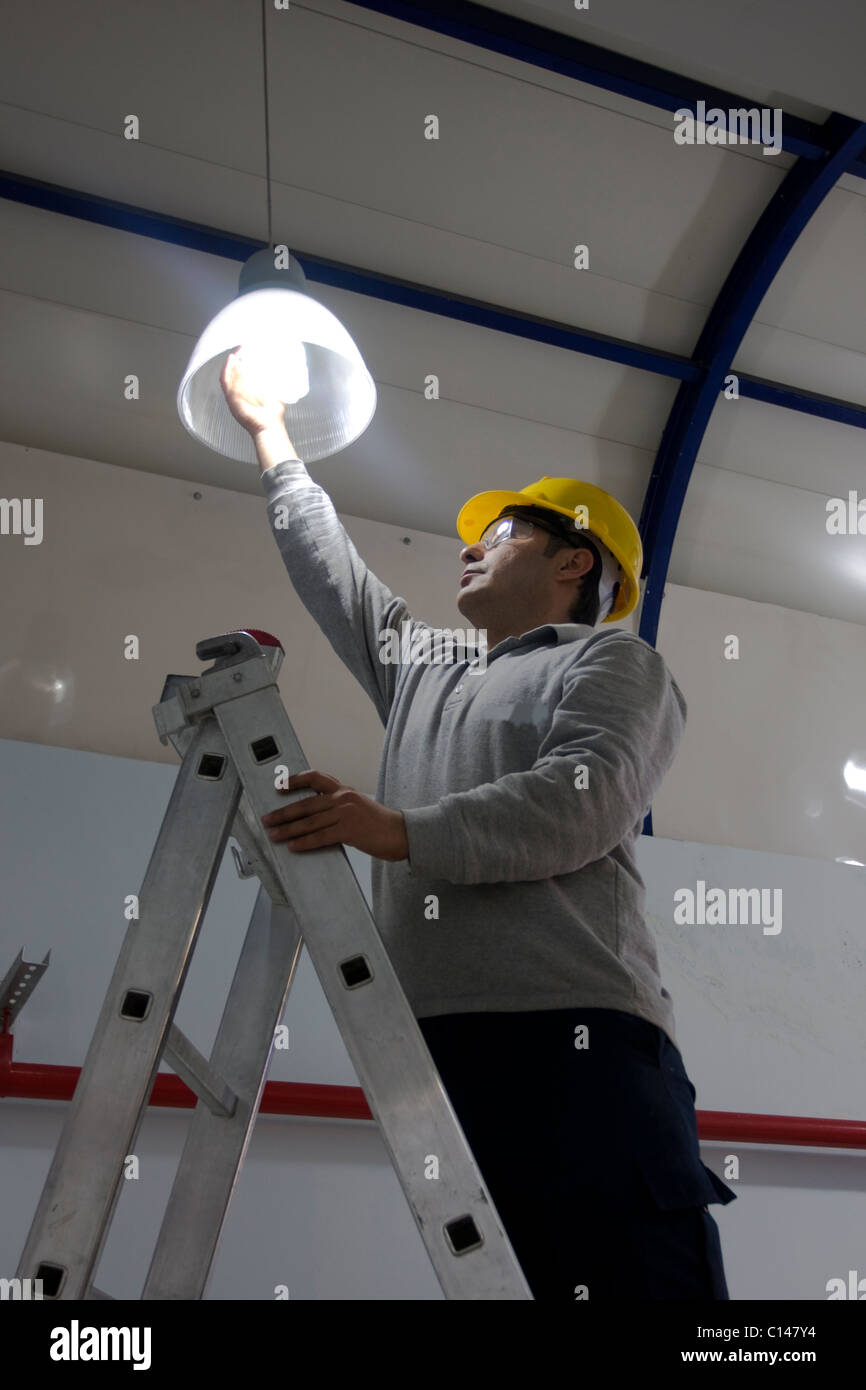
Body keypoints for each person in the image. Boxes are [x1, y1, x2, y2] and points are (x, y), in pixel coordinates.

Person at [219, 347, 736, 1301]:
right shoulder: (427, 669)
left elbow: (576, 804)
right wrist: (270, 435)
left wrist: (398, 829)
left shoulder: (611, 666)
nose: (468, 546)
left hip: (578, 1040)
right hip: (436, 1050)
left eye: (498, 534)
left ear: (573, 558)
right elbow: (333, 574)